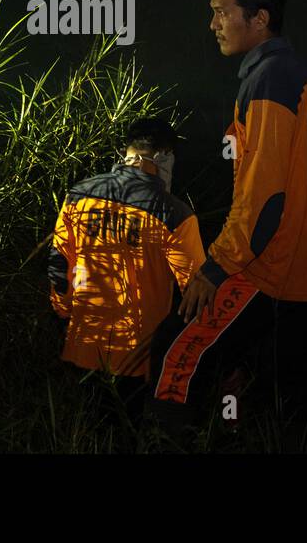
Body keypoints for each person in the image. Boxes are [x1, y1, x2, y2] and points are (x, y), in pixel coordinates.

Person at [148, 0, 307, 444]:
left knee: (176, 350)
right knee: (278, 398)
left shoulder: (267, 82)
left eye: (221, 12)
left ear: (259, 18)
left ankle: (167, 440)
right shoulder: (305, 71)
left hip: (276, 266)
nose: (212, 24)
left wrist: (215, 269)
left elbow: (264, 198)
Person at [48, 118, 205, 437]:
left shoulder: (79, 194)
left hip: (84, 344)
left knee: (86, 431)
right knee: (124, 433)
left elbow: (58, 264)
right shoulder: (174, 213)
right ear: (164, 158)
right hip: (137, 355)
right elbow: (197, 293)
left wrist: (65, 312)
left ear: (126, 152)